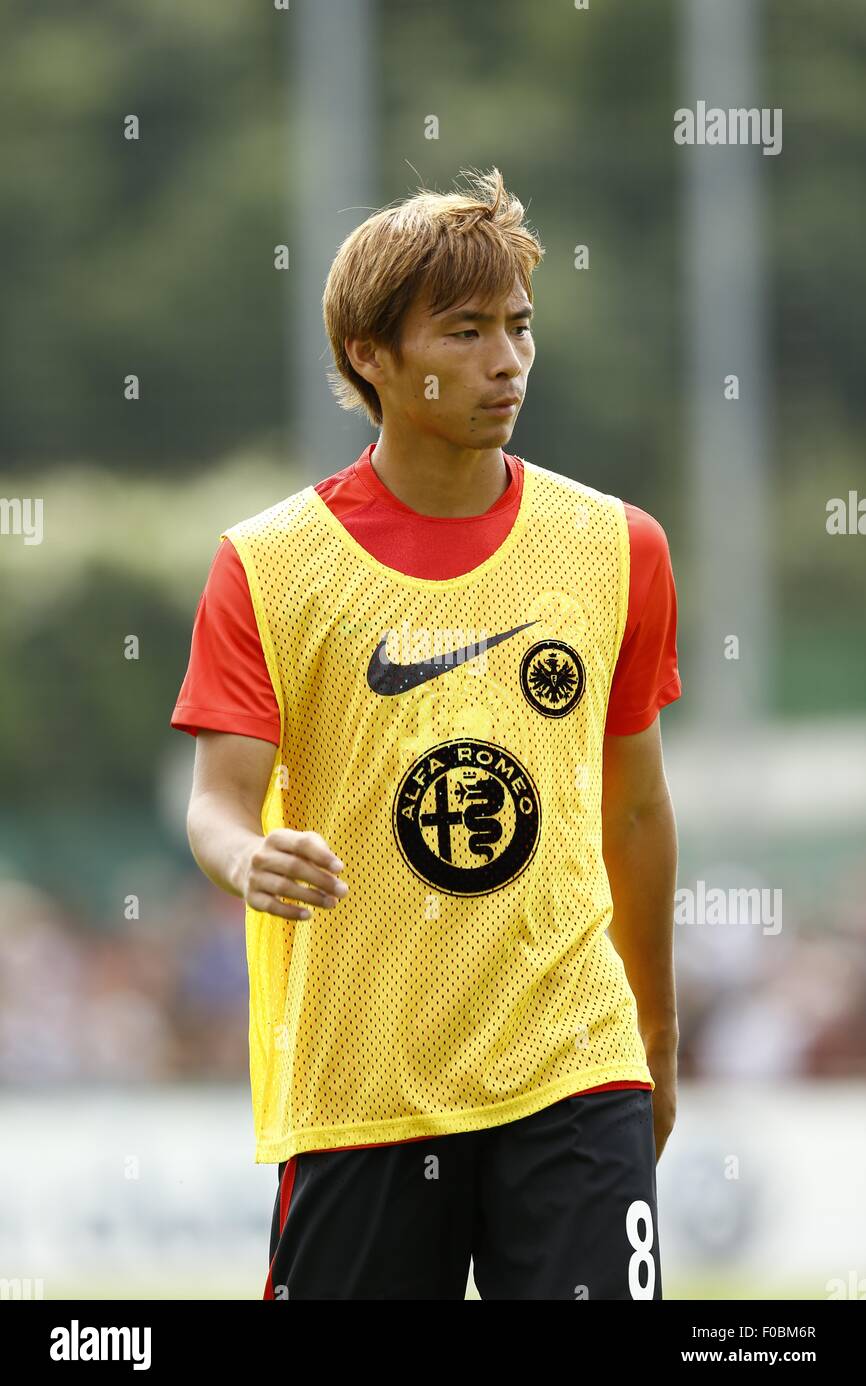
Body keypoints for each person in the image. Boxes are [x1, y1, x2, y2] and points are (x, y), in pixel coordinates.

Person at [171, 167, 682, 1300]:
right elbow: (215, 799)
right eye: (464, 330)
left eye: (518, 327)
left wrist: (653, 1035)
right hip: (363, 1085)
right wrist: (249, 855)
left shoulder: (616, 548)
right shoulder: (267, 564)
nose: (505, 360)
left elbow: (635, 806)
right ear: (371, 355)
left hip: (573, 1067)